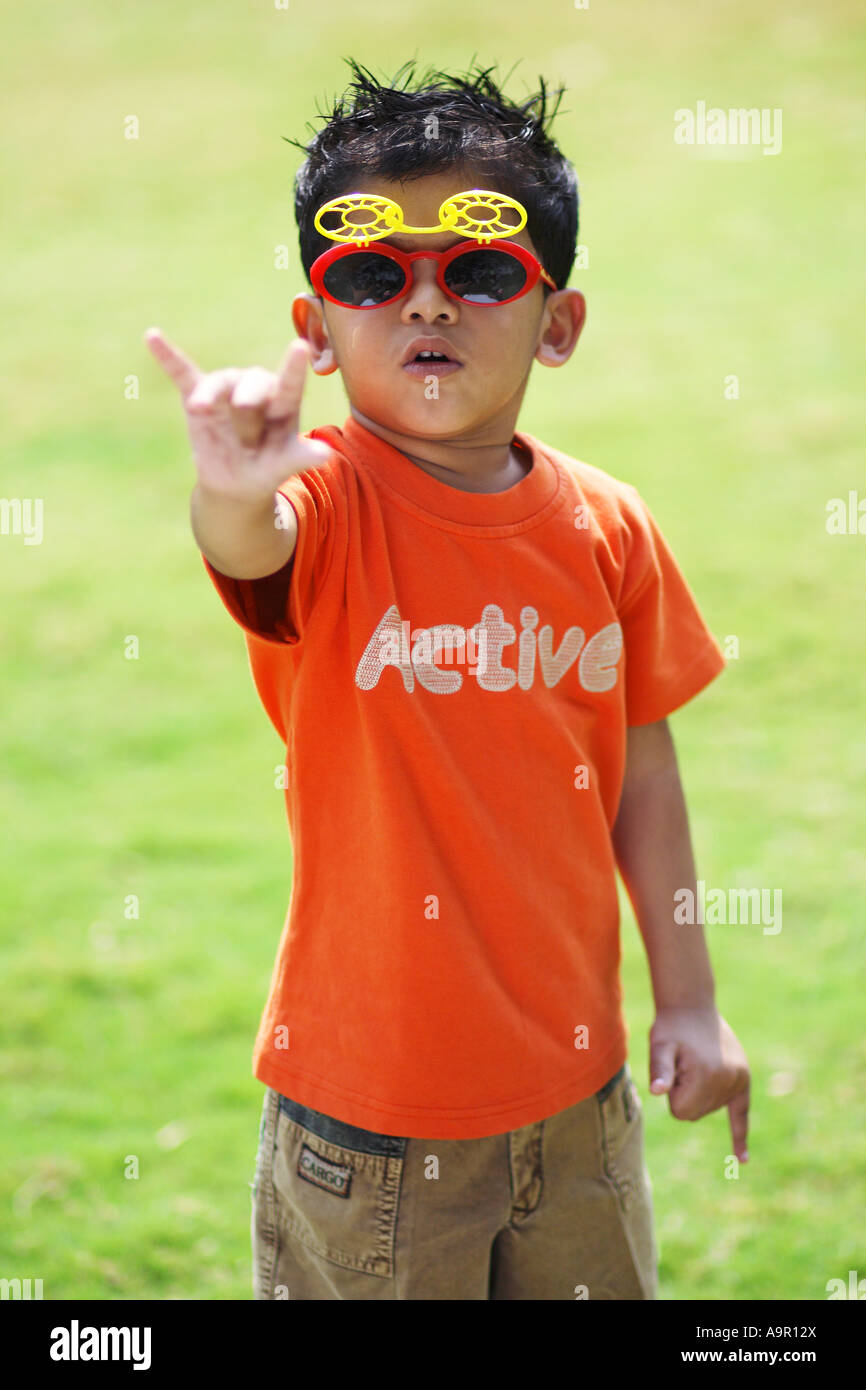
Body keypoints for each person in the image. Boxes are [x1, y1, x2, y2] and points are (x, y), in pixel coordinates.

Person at [145, 59, 750, 1301]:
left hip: (577, 1108)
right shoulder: (321, 497)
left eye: (478, 273)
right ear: (316, 328)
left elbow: (642, 766)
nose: (427, 304)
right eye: (372, 277)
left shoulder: (608, 528)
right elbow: (250, 545)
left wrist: (689, 1003)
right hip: (366, 1128)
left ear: (557, 322)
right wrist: (230, 476)